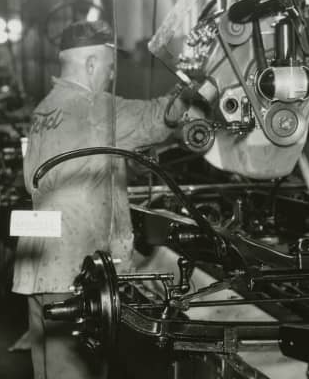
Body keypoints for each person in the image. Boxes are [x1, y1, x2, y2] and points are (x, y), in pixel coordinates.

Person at [12, 20, 187, 379]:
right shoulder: (94, 109)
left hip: (39, 265)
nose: (110, 76)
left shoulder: (45, 109)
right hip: (73, 275)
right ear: (92, 64)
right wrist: (202, 87)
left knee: (48, 371)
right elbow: (159, 118)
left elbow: (33, 181)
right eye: (109, 67)